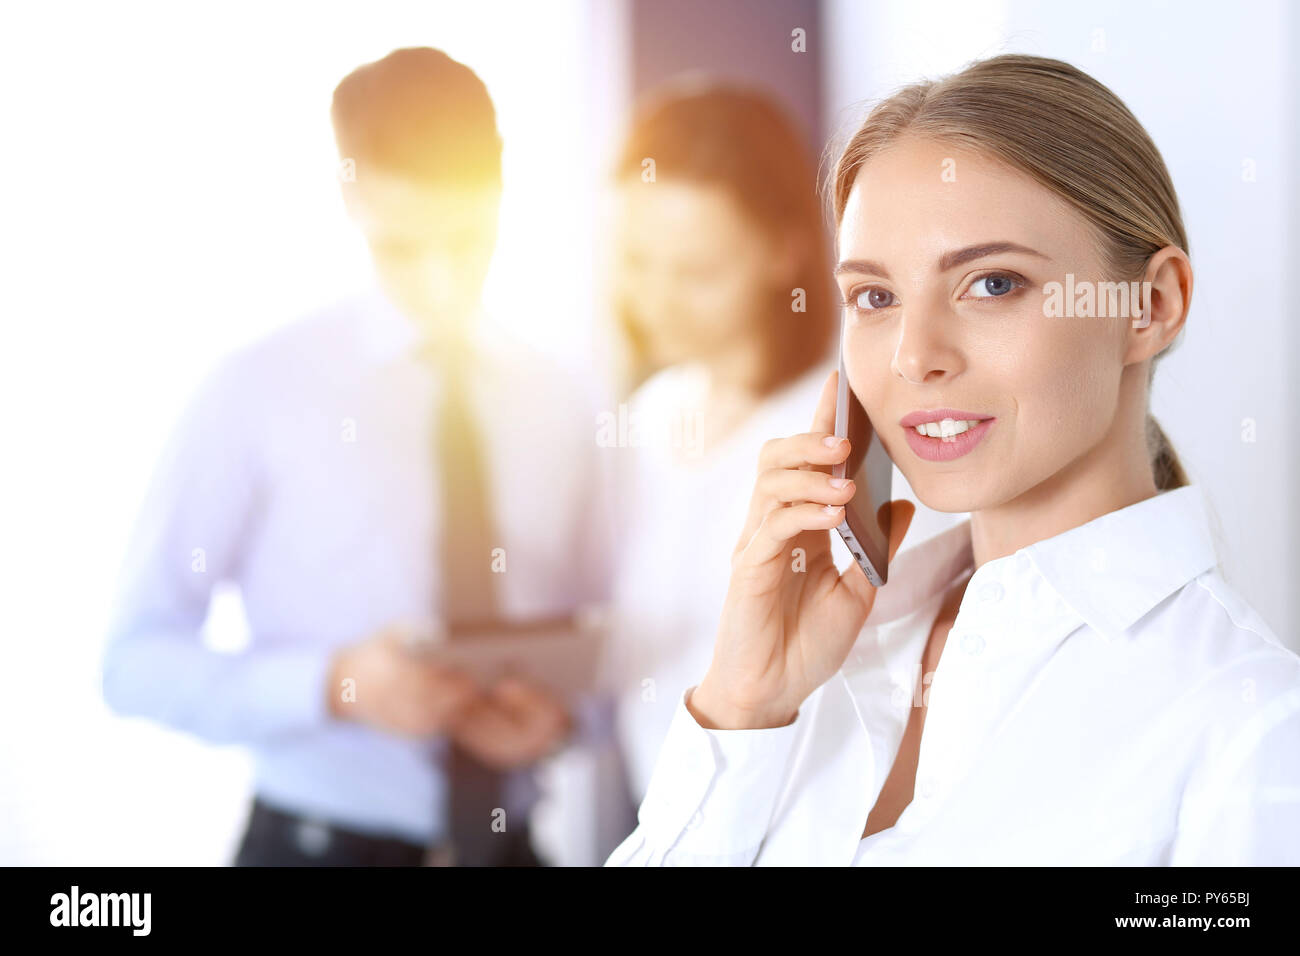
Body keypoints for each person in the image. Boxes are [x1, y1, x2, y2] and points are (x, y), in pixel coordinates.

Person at [605, 54, 1300, 865]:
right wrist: (741, 705)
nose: (913, 356)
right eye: (875, 297)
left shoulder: (1252, 731)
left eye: (993, 284)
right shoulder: (829, 659)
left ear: (1150, 306)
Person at [102, 47, 610, 867]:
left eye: (470, 238)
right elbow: (132, 662)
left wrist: (563, 720)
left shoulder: (561, 397)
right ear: (351, 196)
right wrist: (336, 685)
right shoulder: (257, 389)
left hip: (509, 849)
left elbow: (609, 646)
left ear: (507, 189)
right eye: (406, 247)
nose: (444, 282)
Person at [600, 81, 838, 804]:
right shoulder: (647, 417)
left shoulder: (842, 423)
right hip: (668, 829)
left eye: (697, 273)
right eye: (638, 263)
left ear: (783, 253)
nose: (655, 302)